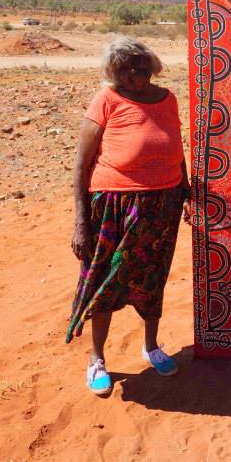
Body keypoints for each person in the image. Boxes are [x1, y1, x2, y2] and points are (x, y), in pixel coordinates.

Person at [65, 35, 190, 395]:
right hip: (113, 207)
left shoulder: (167, 99)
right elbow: (80, 165)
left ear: (151, 65)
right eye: (123, 70)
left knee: (153, 278)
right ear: (114, 74)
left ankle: (151, 346)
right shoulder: (107, 100)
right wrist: (80, 222)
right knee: (104, 280)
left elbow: (176, 145)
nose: (134, 75)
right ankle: (97, 358)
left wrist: (185, 188)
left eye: (138, 66)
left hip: (162, 205)